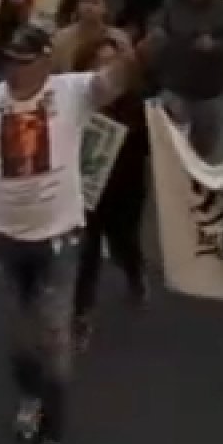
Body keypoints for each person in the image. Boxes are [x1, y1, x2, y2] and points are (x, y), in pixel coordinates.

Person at [0, 25, 134, 444]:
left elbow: (114, 80)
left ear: (44, 62)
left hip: (60, 240)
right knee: (20, 340)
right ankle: (29, 398)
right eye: (9, 59)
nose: (14, 68)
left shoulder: (72, 92)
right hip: (5, 240)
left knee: (55, 344)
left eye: (23, 60)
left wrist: (142, 44)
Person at [69, 34, 149, 351]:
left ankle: (134, 272)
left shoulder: (136, 100)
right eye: (97, 63)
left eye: (110, 62)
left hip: (125, 188)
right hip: (85, 192)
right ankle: (82, 314)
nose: (105, 69)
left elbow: (147, 144)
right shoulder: (73, 101)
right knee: (85, 253)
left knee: (123, 242)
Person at [147, 0, 223, 159]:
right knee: (173, 138)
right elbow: (158, 19)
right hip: (176, 82)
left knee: (204, 143)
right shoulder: (172, 2)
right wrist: (156, 30)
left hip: (208, 87)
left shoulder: (221, 8)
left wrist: (215, 45)